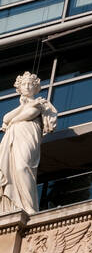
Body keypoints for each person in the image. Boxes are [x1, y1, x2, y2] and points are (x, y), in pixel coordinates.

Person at [0, 72, 57, 214]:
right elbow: (6, 117)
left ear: (36, 87)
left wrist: (14, 120)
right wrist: (21, 107)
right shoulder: (24, 105)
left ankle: (29, 206)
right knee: (11, 169)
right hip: (14, 136)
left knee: (23, 166)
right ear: (19, 88)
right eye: (24, 84)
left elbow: (30, 114)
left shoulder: (40, 103)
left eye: (30, 84)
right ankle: (16, 205)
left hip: (28, 134)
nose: (27, 86)